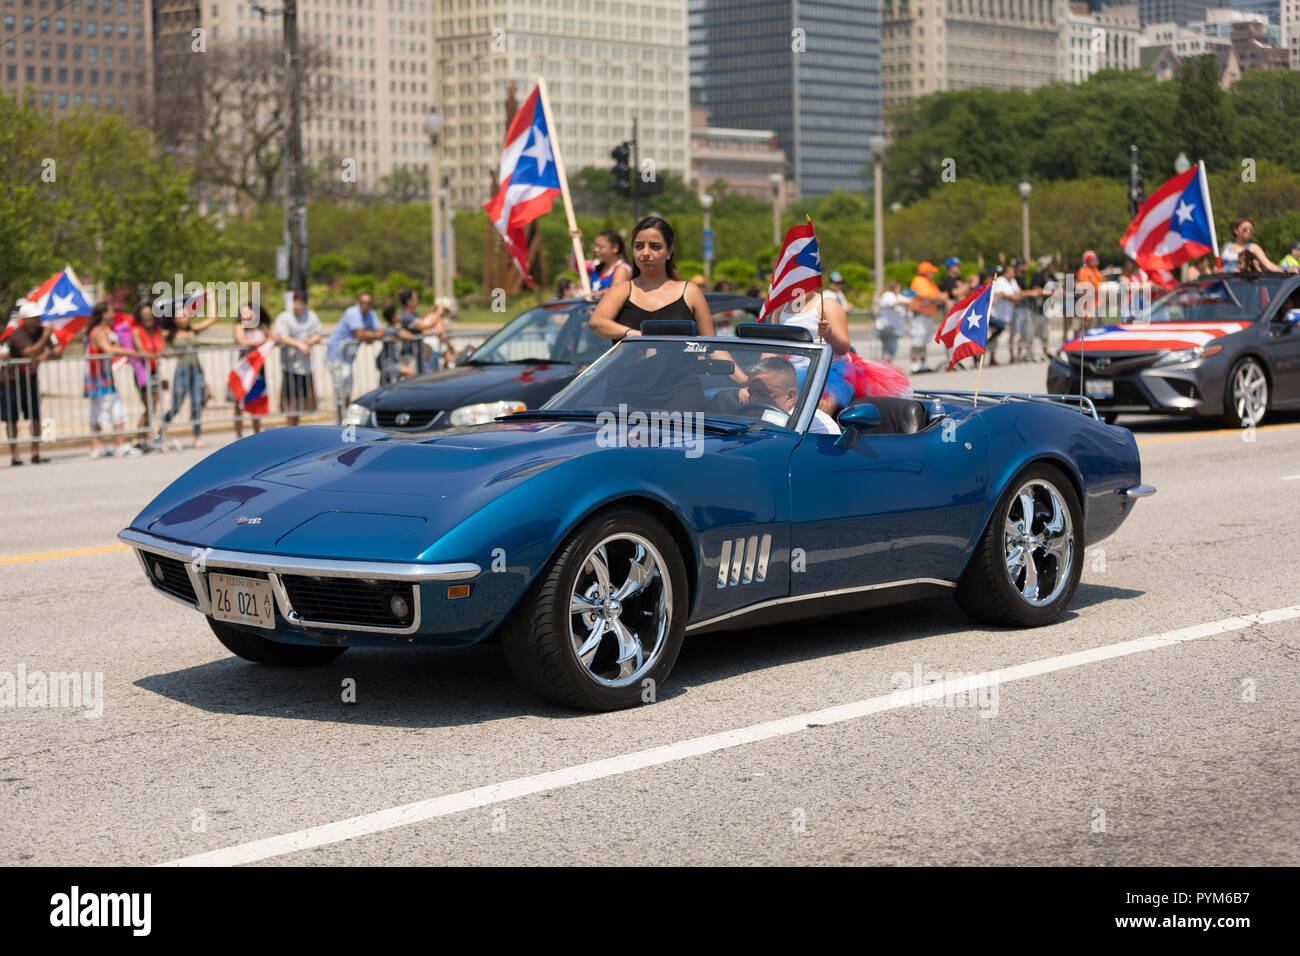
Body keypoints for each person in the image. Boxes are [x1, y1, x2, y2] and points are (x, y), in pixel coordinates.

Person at [767, 284, 912, 417]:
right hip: (793, 373)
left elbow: (843, 348)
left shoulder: (826, 304)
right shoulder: (780, 309)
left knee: (818, 410)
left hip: (833, 371)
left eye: (804, 278)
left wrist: (829, 334)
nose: (800, 284)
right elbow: (772, 349)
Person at [589, 216, 717, 339]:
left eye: (654, 246)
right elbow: (596, 322)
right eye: (639, 246)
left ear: (669, 251)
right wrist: (635, 335)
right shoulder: (621, 291)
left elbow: (713, 347)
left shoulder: (690, 291)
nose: (645, 252)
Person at [2, 300, 61, 465]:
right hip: (11, 382)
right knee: (12, 419)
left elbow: (58, 350)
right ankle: (15, 455)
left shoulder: (43, 331)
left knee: (35, 417)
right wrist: (45, 337)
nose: (38, 319)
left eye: (39, 316)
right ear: (25, 319)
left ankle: (35, 453)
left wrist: (48, 355)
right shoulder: (17, 335)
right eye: (34, 317)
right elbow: (29, 352)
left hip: (31, 382)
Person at [84, 302, 141, 457]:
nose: (113, 314)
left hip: (100, 377)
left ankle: (97, 446)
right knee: (117, 409)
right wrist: (128, 351)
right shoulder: (98, 332)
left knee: (97, 412)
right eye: (110, 312)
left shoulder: (105, 331)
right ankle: (119, 444)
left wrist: (117, 343)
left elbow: (111, 349)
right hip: (100, 377)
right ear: (103, 314)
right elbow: (108, 350)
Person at [737, 356, 839, 434]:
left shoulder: (819, 427)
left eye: (763, 394)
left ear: (790, 397)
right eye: (750, 392)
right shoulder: (748, 416)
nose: (753, 400)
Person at [161, 303, 216, 448]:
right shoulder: (168, 334)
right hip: (181, 371)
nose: (185, 318)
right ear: (173, 319)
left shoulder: (193, 330)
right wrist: (173, 353)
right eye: (181, 315)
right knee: (177, 405)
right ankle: (160, 431)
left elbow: (211, 319)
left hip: (196, 370)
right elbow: (161, 351)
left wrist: (210, 298)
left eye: (186, 315)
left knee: (197, 404)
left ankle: (197, 436)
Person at [327, 291, 383, 422]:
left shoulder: (371, 314)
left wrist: (369, 336)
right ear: (358, 303)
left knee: (347, 390)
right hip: (336, 355)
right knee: (340, 391)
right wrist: (370, 336)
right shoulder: (352, 312)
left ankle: (344, 421)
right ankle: (339, 422)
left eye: (368, 303)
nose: (365, 306)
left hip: (347, 358)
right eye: (362, 303)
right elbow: (360, 334)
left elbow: (380, 331)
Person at [274, 290, 322, 426]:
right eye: (295, 302)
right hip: (290, 366)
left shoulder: (311, 316)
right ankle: (289, 430)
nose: (297, 305)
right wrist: (299, 344)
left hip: (305, 367)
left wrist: (307, 343)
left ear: (305, 304)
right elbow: (281, 336)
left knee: (304, 402)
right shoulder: (284, 317)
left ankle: (297, 429)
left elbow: (318, 334)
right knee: (291, 402)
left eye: (300, 303)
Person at [230, 302, 274, 439]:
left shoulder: (260, 327)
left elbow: (272, 337)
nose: (245, 315)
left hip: (258, 369)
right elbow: (241, 341)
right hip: (243, 369)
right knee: (239, 403)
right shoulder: (239, 326)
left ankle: (256, 434)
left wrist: (266, 334)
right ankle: (239, 435)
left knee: (256, 401)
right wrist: (261, 343)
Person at [129, 303, 165, 447]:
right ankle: (139, 438)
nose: (148, 317)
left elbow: (163, 348)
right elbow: (141, 350)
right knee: (149, 406)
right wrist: (153, 355)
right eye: (144, 315)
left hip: (154, 371)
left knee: (153, 406)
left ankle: (144, 437)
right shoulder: (137, 331)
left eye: (150, 314)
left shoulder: (157, 332)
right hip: (143, 372)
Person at [568, 228, 632, 296]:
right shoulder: (595, 265)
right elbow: (577, 266)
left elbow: (616, 291)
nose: (596, 250)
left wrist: (592, 295)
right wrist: (577, 242)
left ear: (615, 248)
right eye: (595, 246)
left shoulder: (622, 268)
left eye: (601, 247)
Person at [907, 261, 946, 373]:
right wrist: (939, 298)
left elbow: (937, 295)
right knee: (917, 340)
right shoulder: (919, 281)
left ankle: (923, 364)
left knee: (923, 341)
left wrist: (939, 297)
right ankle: (914, 365)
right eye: (931, 272)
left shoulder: (930, 282)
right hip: (918, 314)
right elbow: (926, 296)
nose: (933, 274)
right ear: (925, 272)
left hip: (927, 315)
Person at [377, 304, 418, 385]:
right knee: (411, 373)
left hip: (393, 362)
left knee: (388, 386)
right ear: (393, 317)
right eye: (397, 314)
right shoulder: (390, 330)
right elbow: (409, 336)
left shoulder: (393, 329)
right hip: (387, 364)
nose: (400, 316)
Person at [1073, 250, 1104, 340]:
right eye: (1094, 259)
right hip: (1089, 304)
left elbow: (1099, 281)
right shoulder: (1084, 271)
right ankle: (1079, 341)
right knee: (1089, 329)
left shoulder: (1094, 270)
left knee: (1098, 328)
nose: (1097, 261)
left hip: (1097, 303)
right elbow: (1084, 287)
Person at [875, 279, 906, 365]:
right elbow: (893, 302)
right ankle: (885, 367)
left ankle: (887, 367)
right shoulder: (887, 295)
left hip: (892, 328)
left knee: (891, 349)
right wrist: (908, 301)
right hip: (886, 327)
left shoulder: (896, 295)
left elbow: (905, 299)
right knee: (888, 349)